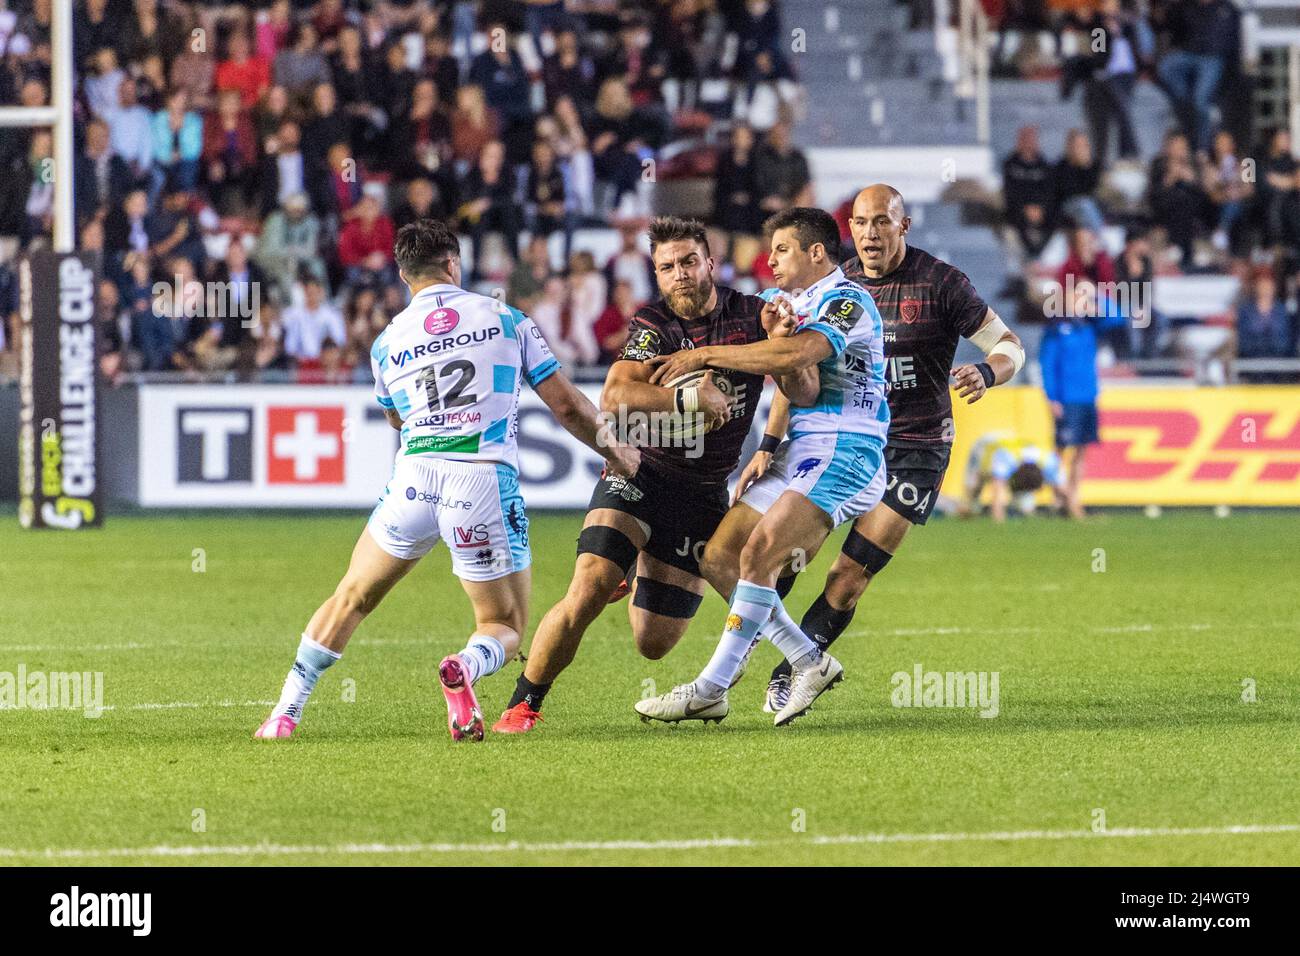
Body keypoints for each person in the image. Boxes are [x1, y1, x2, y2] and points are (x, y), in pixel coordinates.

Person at [254, 219, 638, 742]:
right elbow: (569, 407)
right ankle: (463, 666)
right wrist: (616, 452)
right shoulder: (505, 318)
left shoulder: (388, 342)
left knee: (351, 596)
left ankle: (284, 713)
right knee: (503, 628)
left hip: (413, 479)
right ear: (453, 263)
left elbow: (395, 416)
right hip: (479, 479)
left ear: (404, 274)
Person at [750, 184, 1024, 713]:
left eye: (882, 221)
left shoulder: (943, 283)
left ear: (904, 226)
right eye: (860, 222)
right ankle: (736, 657)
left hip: (916, 446)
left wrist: (989, 372)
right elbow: (795, 362)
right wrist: (768, 442)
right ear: (848, 229)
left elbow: (1011, 344)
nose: (870, 233)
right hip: (844, 442)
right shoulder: (837, 284)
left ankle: (794, 671)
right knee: (785, 557)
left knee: (848, 575)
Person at [492, 217, 766, 734]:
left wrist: (772, 444)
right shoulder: (652, 324)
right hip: (640, 474)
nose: (680, 274)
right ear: (656, 274)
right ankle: (523, 703)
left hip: (704, 496)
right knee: (591, 584)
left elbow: (796, 370)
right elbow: (614, 400)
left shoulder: (752, 316)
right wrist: (689, 397)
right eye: (667, 267)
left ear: (710, 261)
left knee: (652, 643)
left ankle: (637, 568)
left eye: (689, 261)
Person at [633, 206, 891, 727]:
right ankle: (808, 659)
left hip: (847, 448)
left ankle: (711, 687)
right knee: (721, 557)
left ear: (815, 253)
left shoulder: (847, 300)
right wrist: (768, 445)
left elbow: (800, 356)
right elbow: (800, 385)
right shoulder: (794, 304)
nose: (767, 259)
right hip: (800, 450)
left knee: (757, 556)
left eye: (780, 250)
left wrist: (704, 355)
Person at [961, 432, 1072, 522]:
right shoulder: (1005, 459)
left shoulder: (1048, 462)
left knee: (1025, 507)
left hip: (1010, 447)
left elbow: (1064, 490)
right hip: (984, 447)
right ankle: (966, 511)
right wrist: (998, 521)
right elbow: (997, 492)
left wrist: (1074, 514)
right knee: (973, 492)